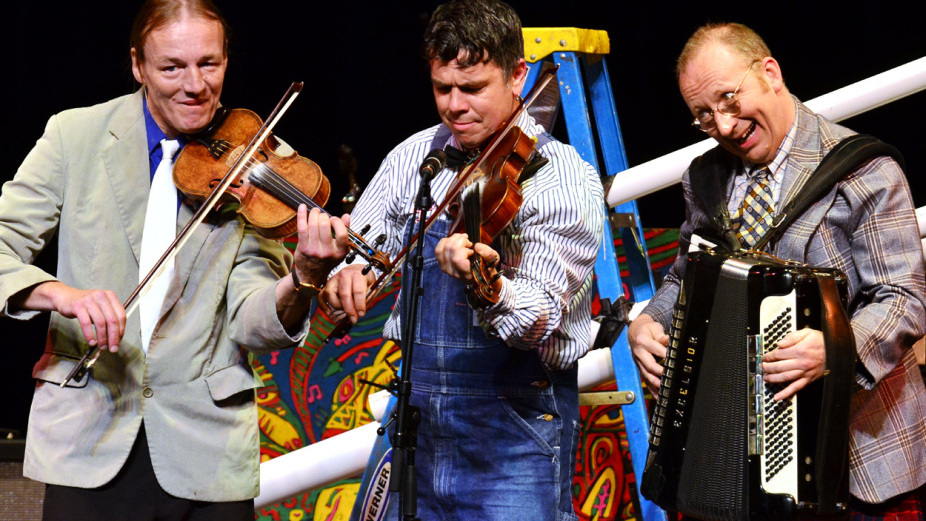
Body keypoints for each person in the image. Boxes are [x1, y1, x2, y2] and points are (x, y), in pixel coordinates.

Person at [0, 1, 350, 519]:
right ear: (138, 65)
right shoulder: (74, 136)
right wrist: (62, 296)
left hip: (206, 448)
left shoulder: (261, 163)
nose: (195, 85)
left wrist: (304, 276)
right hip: (87, 434)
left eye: (209, 64)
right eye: (172, 68)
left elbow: (253, 321)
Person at [629, 22, 926, 518]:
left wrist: (835, 347)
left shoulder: (863, 168)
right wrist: (647, 322)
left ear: (770, 73)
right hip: (742, 449)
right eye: (704, 116)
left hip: (860, 454)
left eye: (729, 99)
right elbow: (685, 277)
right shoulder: (705, 181)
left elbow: (903, 297)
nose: (725, 126)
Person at [324, 1, 604, 519]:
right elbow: (365, 251)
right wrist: (347, 276)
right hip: (415, 419)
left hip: (514, 427)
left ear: (517, 75)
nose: (454, 106)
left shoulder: (562, 179)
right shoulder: (413, 158)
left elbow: (537, 320)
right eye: (442, 88)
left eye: (472, 88)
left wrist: (487, 284)